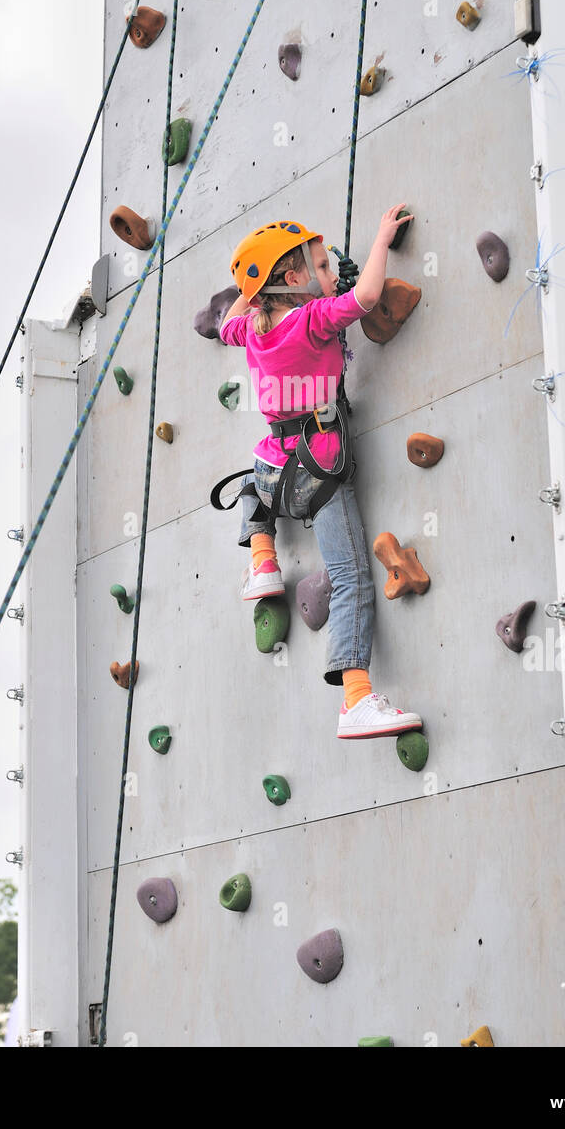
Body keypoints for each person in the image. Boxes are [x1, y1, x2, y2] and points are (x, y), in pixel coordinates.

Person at [218, 206, 423, 740]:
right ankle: (356, 701)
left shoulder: (253, 330)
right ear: (296, 280)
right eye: (323, 266)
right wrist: (381, 239)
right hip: (319, 470)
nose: (334, 274)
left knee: (250, 482)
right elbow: (369, 297)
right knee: (351, 575)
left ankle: (263, 560)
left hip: (274, 470)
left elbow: (224, 326)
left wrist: (254, 285)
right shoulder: (313, 319)